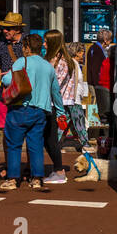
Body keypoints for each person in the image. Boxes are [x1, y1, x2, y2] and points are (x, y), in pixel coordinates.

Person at [0, 33, 65, 193]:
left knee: (14, 145)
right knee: (35, 145)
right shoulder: (48, 66)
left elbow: (7, 81)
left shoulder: (22, 61)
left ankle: (13, 179)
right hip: (41, 110)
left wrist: (7, 76)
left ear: (27, 47)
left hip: (20, 108)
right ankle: (36, 178)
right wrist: (61, 111)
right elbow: (56, 91)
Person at [0, 13, 24, 178]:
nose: (4, 31)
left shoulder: (27, 44)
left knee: (25, 131)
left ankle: (28, 167)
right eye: (3, 28)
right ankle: (9, 166)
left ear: (18, 29)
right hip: (5, 92)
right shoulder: (3, 44)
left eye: (8, 28)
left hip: (23, 92)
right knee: (6, 132)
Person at [41, 30, 75, 185]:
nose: (43, 44)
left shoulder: (59, 62)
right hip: (53, 103)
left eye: (46, 42)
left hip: (53, 104)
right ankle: (57, 169)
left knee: (51, 139)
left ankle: (59, 170)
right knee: (49, 138)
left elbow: (54, 85)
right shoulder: (59, 60)